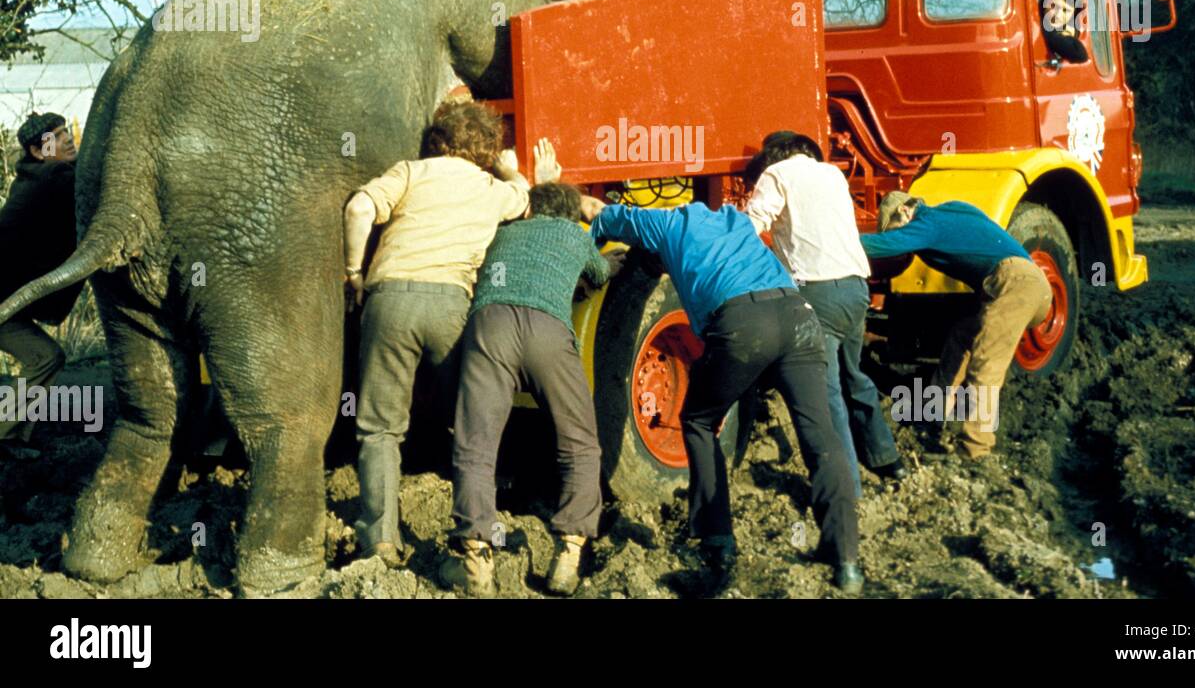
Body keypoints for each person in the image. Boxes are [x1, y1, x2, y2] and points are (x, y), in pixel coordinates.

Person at [584, 193, 863, 593]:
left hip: (743, 325)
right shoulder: (735, 221)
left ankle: (718, 544)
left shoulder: (665, 224)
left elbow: (605, 217)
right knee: (819, 433)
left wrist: (588, 244)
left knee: (698, 421)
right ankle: (846, 560)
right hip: (799, 317)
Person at [342, 99, 559, 565]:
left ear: (439, 140)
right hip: (452, 308)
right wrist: (514, 171)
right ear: (485, 150)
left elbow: (359, 209)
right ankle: (472, 533)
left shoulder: (411, 171)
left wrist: (354, 273)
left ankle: (380, 540)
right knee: (469, 418)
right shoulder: (489, 187)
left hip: (389, 301)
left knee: (379, 429)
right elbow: (526, 199)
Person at [440, 182, 625, 597]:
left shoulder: (502, 234)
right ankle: (568, 557)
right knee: (579, 442)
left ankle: (475, 564)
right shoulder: (571, 234)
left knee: (476, 445)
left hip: (491, 327)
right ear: (568, 213)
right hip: (547, 333)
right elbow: (597, 274)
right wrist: (611, 263)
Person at [744, 132, 906, 494]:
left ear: (774, 156)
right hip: (855, 288)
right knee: (855, 376)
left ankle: (845, 488)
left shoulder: (776, 175)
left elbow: (752, 227)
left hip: (817, 294)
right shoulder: (832, 174)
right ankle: (887, 460)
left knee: (825, 393)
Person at [861, 192, 1051, 460]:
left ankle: (975, 451)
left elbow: (888, 244)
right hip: (1032, 284)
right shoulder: (954, 209)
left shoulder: (927, 223)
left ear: (904, 211)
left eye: (895, 226)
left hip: (1014, 284)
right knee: (962, 337)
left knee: (986, 363)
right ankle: (936, 414)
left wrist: (837, 242)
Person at [0, 113, 83, 459]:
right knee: (46, 358)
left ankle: (11, 438)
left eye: (66, 132)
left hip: (8, 302)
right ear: (37, 150)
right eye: (56, 136)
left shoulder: (35, 177)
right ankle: (6, 438)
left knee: (47, 358)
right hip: (4, 304)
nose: (66, 139)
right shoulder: (53, 177)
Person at [1039, 0, 1090, 64]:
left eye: (1065, 10)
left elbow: (1081, 55)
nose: (1058, 15)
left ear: (1074, 13)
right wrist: (1060, 35)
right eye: (1053, 6)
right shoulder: (1038, 24)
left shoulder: (1071, 26)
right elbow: (1080, 54)